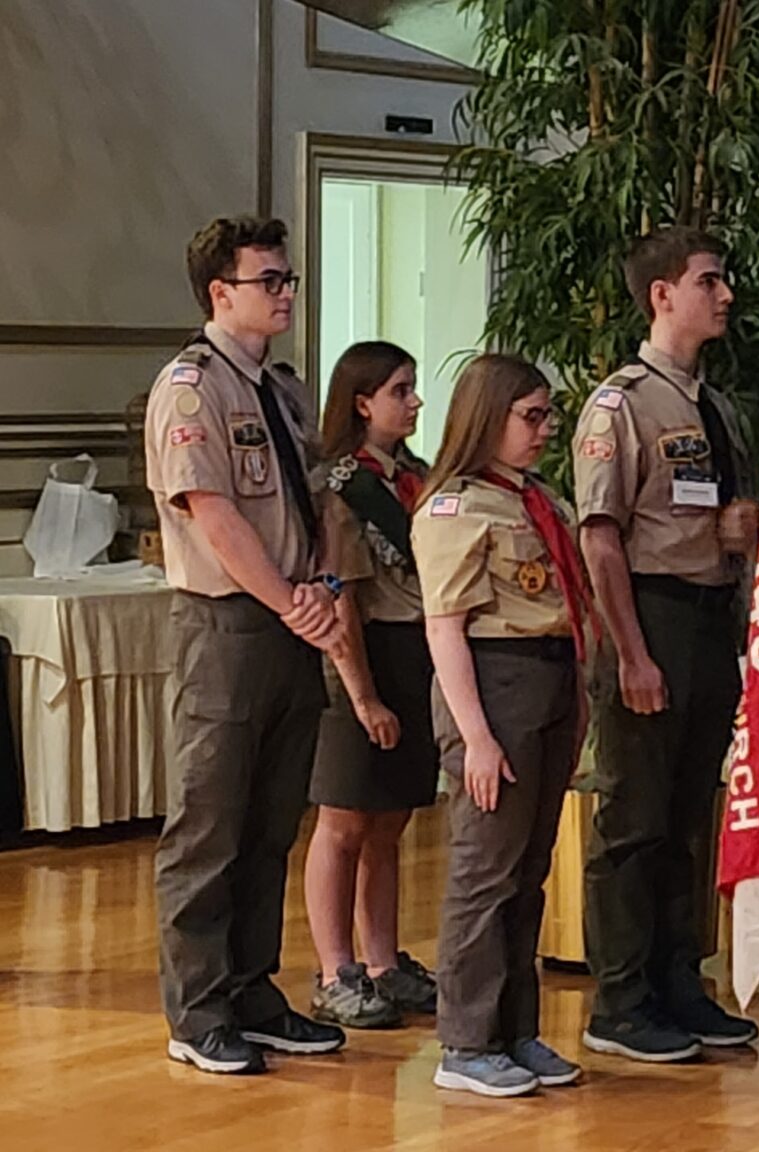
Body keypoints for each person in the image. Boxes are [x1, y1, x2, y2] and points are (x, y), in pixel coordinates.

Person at [147, 215, 346, 1075]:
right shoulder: (192, 389)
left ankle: (252, 988)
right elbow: (214, 517)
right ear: (220, 293)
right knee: (211, 824)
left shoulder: (286, 390)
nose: (287, 293)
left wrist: (325, 590)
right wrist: (292, 604)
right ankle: (196, 1012)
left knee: (271, 821)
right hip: (229, 624)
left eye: (289, 278)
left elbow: (319, 498)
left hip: (294, 618)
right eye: (269, 280)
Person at [574, 226, 759, 1063]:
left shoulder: (712, 405)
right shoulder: (621, 404)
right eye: (709, 282)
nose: (724, 296)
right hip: (649, 615)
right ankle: (621, 999)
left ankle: (681, 979)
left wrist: (739, 533)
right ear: (662, 295)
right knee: (634, 820)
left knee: (691, 814)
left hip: (710, 611)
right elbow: (601, 537)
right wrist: (633, 653)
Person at [413, 354, 595, 1098]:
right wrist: (477, 737)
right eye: (532, 416)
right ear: (487, 418)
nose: (545, 430)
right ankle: (465, 1040)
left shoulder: (535, 500)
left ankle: (517, 1029)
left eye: (548, 415)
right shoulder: (456, 508)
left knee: (528, 870)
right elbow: (444, 628)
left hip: (551, 676)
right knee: (484, 869)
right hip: (494, 681)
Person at [303, 341, 439, 1030]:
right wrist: (362, 695)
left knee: (391, 820)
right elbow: (344, 595)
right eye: (400, 390)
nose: (414, 401)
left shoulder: (414, 477)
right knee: (344, 820)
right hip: (362, 654)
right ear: (363, 403)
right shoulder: (340, 487)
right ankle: (335, 969)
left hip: (416, 650)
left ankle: (384, 962)